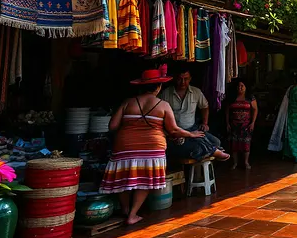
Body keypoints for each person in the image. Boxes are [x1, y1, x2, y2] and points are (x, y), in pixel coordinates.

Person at [101, 68, 204, 225]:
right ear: (159, 87)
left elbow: (112, 126)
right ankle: (133, 215)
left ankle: (125, 209)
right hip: (152, 146)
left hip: (124, 145)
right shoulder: (163, 105)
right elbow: (174, 130)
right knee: (145, 180)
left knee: (123, 177)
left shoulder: (128, 102)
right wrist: (191, 134)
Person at [159, 69, 229, 162]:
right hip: (176, 131)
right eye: (180, 79)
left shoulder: (196, 92)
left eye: (186, 79)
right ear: (175, 79)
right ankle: (214, 151)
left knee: (216, 141)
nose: (183, 82)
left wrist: (205, 123)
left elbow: (204, 106)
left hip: (192, 128)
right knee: (196, 145)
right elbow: (159, 115)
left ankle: (210, 150)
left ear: (190, 79)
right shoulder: (166, 93)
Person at [225, 78, 258, 170]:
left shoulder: (250, 98)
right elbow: (227, 111)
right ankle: (235, 163)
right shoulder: (232, 98)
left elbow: (255, 110)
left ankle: (246, 162)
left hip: (246, 125)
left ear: (246, 87)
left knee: (246, 143)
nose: (240, 88)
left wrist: (253, 123)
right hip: (234, 125)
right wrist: (227, 123)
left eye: (242, 86)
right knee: (234, 144)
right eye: (238, 86)